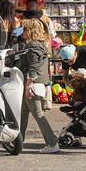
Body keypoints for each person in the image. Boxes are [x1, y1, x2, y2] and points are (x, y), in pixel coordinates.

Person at [19, 15, 57, 149]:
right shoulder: (40, 45)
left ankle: (52, 143)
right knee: (23, 113)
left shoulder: (32, 46)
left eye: (24, 30)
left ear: (30, 31)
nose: (22, 32)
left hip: (32, 84)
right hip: (37, 83)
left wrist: (29, 85)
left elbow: (33, 68)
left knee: (38, 114)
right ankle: (18, 141)